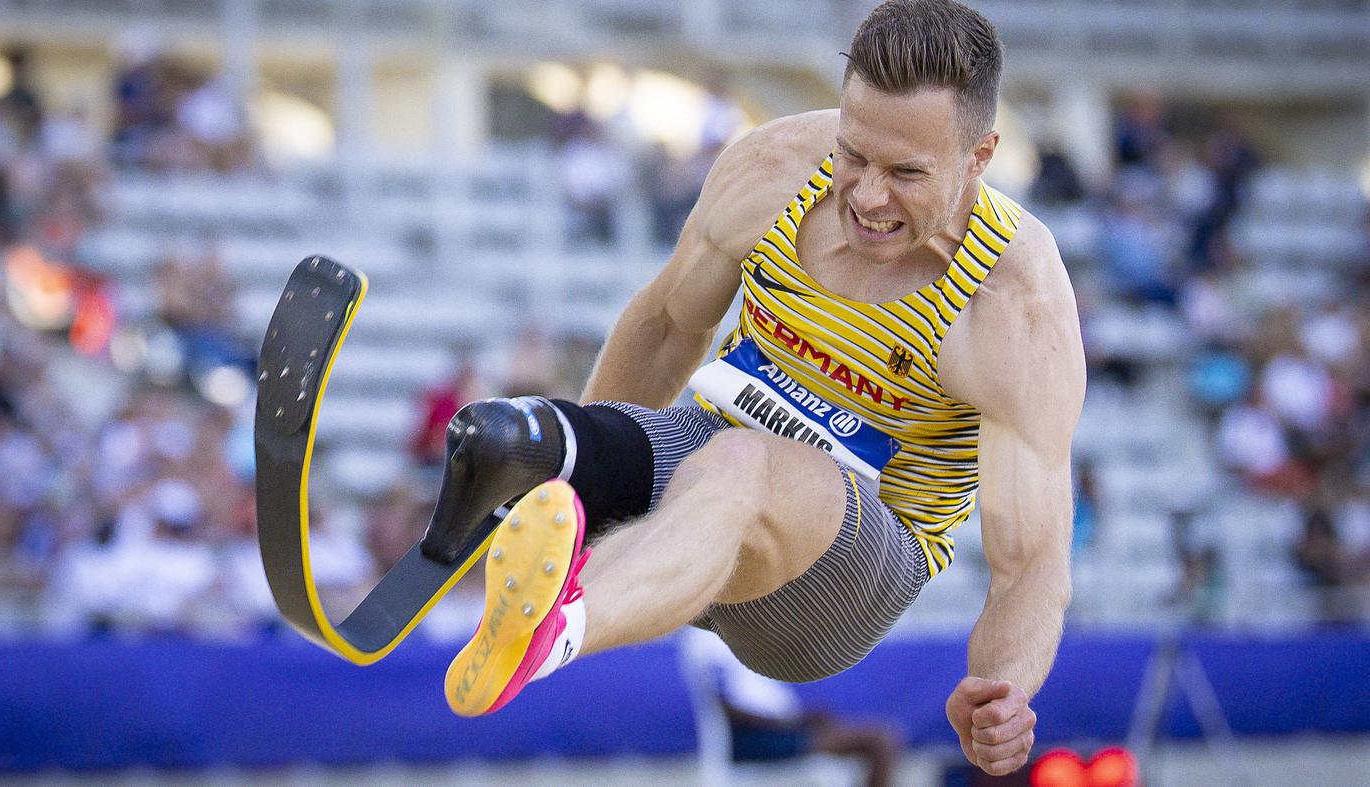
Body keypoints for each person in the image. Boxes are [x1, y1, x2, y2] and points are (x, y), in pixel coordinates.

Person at [427, 1, 1084, 778]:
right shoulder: (775, 170)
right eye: (854, 155)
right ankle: (561, 546)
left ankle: (551, 633)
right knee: (533, 435)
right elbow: (668, 324)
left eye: (907, 173)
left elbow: (1031, 560)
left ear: (980, 157)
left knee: (746, 463)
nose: (869, 198)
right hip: (704, 484)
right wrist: (586, 477)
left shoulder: (1012, 303)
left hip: (837, 586)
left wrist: (1002, 686)